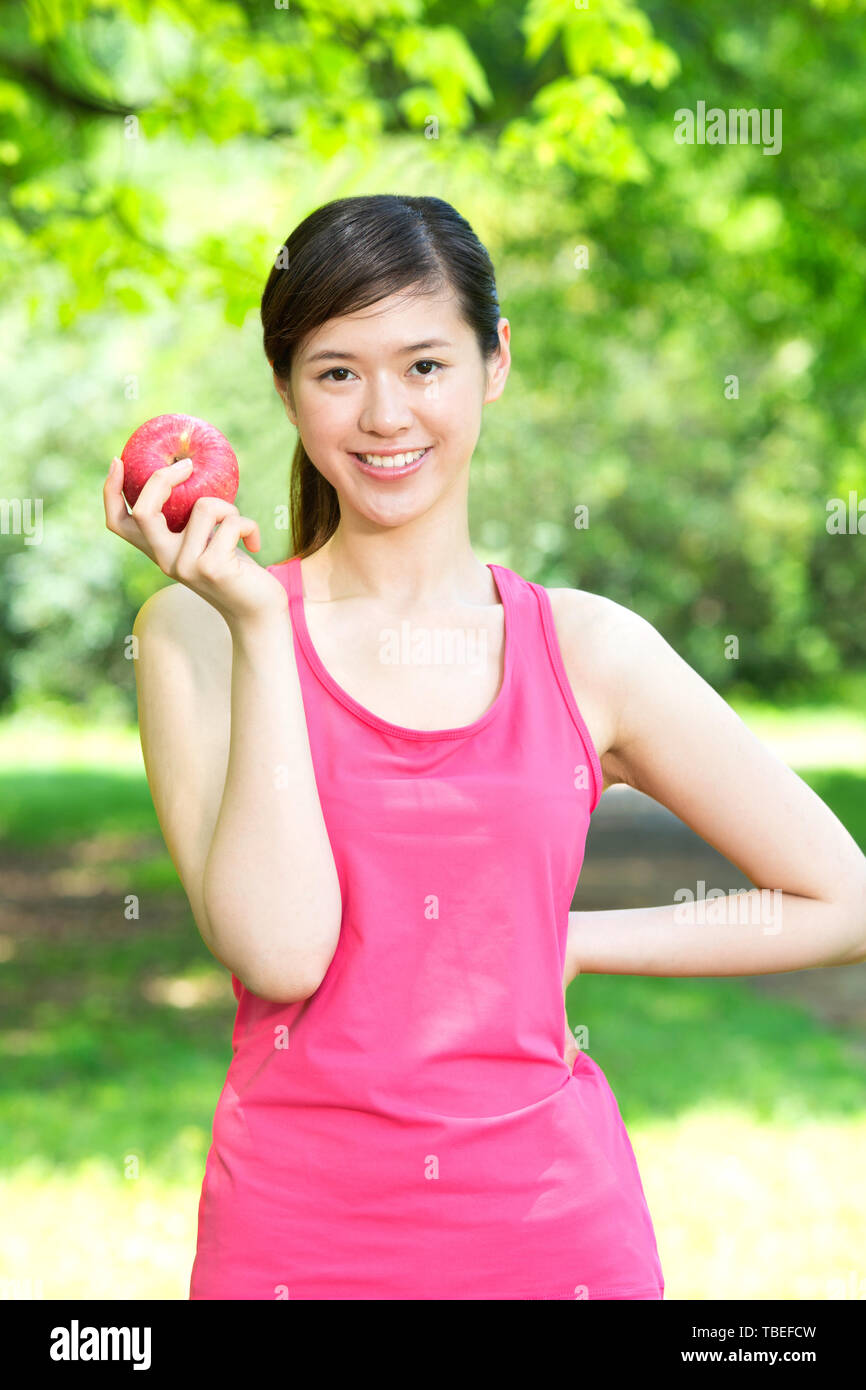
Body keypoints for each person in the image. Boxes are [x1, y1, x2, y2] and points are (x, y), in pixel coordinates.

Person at [104, 194, 866, 1300]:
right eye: (335, 372)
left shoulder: (587, 649)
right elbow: (279, 956)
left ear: (492, 363)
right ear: (283, 388)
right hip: (293, 1243)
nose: (382, 414)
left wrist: (574, 940)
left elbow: (840, 897)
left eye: (423, 364)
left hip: (553, 1239)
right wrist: (261, 628)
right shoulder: (198, 634)